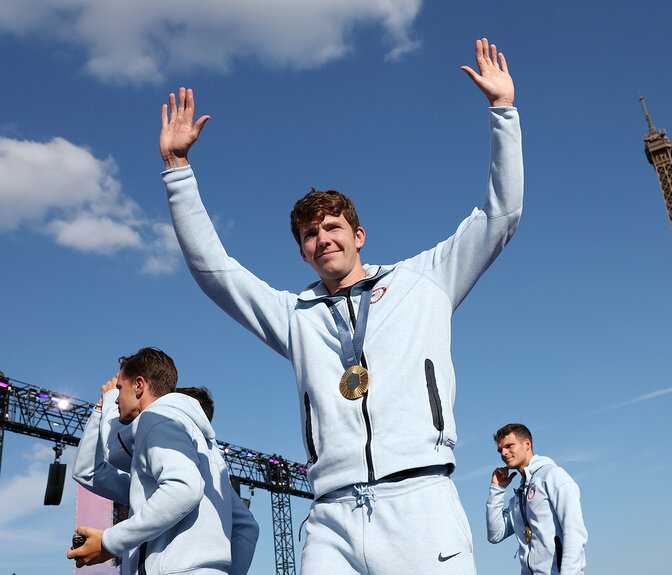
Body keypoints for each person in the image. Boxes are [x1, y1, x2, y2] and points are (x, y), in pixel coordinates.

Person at [159, 37, 522, 574]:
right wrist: (176, 169)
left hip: (417, 502)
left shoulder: (425, 280)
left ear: (359, 234)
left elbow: (501, 214)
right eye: (309, 234)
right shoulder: (293, 315)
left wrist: (503, 112)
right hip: (331, 514)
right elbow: (215, 272)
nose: (322, 238)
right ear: (302, 253)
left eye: (332, 227)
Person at [69, 348, 259, 575]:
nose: (117, 397)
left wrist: (109, 542)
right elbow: (247, 527)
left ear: (139, 385)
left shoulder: (157, 418)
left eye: (119, 388)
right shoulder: (208, 454)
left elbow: (183, 489)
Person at [486, 423, 587, 575]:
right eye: (500, 450)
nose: (504, 453)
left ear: (527, 444)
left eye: (509, 446)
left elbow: (574, 532)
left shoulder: (553, 476)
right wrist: (496, 490)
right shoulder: (518, 498)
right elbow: (495, 535)